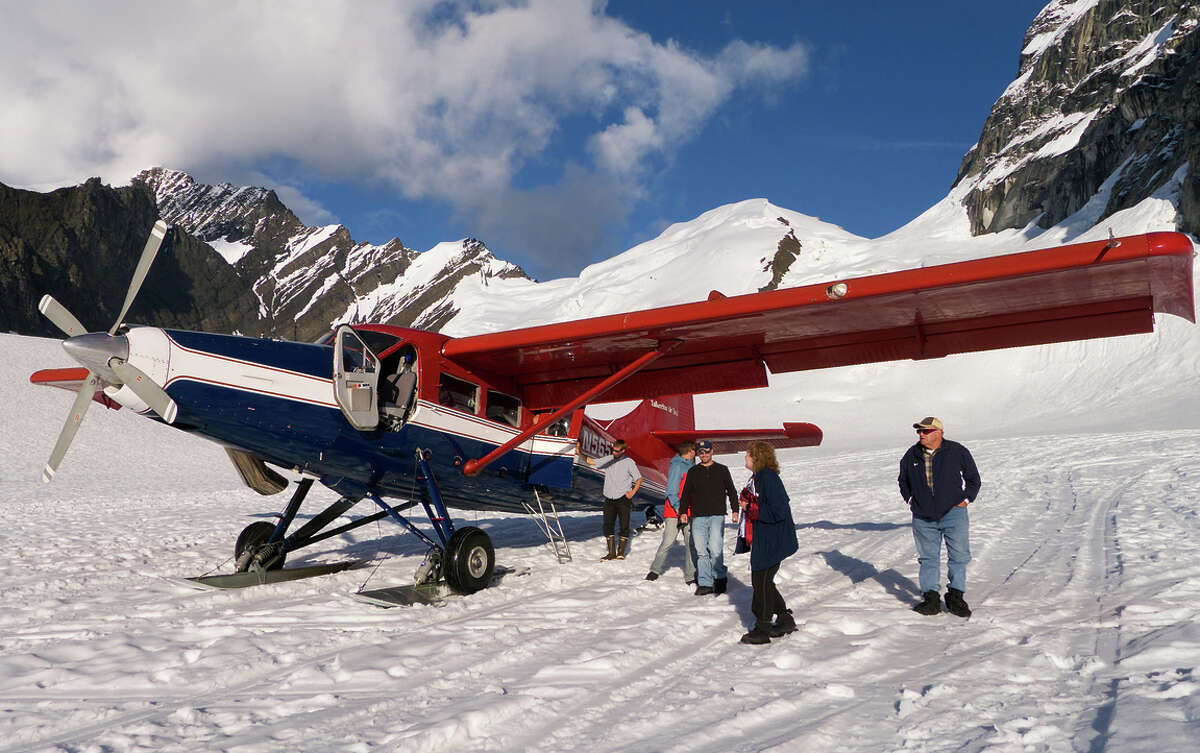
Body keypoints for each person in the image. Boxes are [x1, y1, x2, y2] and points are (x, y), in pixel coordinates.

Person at [898, 417, 981, 618]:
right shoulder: (912, 454)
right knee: (928, 558)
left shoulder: (956, 451)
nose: (921, 434)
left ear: (939, 432)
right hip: (923, 516)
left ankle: (955, 596)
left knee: (959, 556)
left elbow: (973, 478)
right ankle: (931, 598)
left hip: (954, 513)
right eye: (919, 431)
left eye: (926, 431)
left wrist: (966, 499)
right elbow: (903, 480)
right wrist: (909, 499)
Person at [738, 441, 799, 645]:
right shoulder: (759, 477)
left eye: (747, 454)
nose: (744, 457)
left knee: (761, 583)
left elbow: (778, 510)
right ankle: (785, 620)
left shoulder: (769, 478)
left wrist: (750, 508)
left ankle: (762, 629)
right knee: (764, 582)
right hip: (765, 538)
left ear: (756, 457)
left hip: (773, 539)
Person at [679, 439, 738, 596]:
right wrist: (683, 512)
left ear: (712, 451)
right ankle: (705, 583)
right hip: (698, 517)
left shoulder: (722, 470)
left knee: (715, 547)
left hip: (717, 515)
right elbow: (685, 494)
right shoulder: (693, 472)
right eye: (700, 452)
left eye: (706, 451)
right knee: (701, 550)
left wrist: (735, 510)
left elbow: (731, 491)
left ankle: (719, 578)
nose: (703, 454)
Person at [645, 442, 698, 584]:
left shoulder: (692, 466)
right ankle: (655, 570)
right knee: (668, 541)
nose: (697, 452)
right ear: (689, 451)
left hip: (689, 511)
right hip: (675, 511)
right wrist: (678, 509)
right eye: (695, 450)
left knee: (690, 543)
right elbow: (671, 490)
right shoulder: (677, 466)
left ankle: (690, 576)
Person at [583, 439, 643, 560]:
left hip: (623, 498)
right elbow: (590, 461)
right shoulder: (609, 459)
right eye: (613, 450)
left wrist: (632, 493)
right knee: (607, 525)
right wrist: (579, 452)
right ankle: (611, 553)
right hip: (609, 497)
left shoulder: (629, 462)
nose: (614, 453)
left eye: (616, 451)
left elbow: (639, 478)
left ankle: (620, 552)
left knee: (624, 525)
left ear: (623, 450)